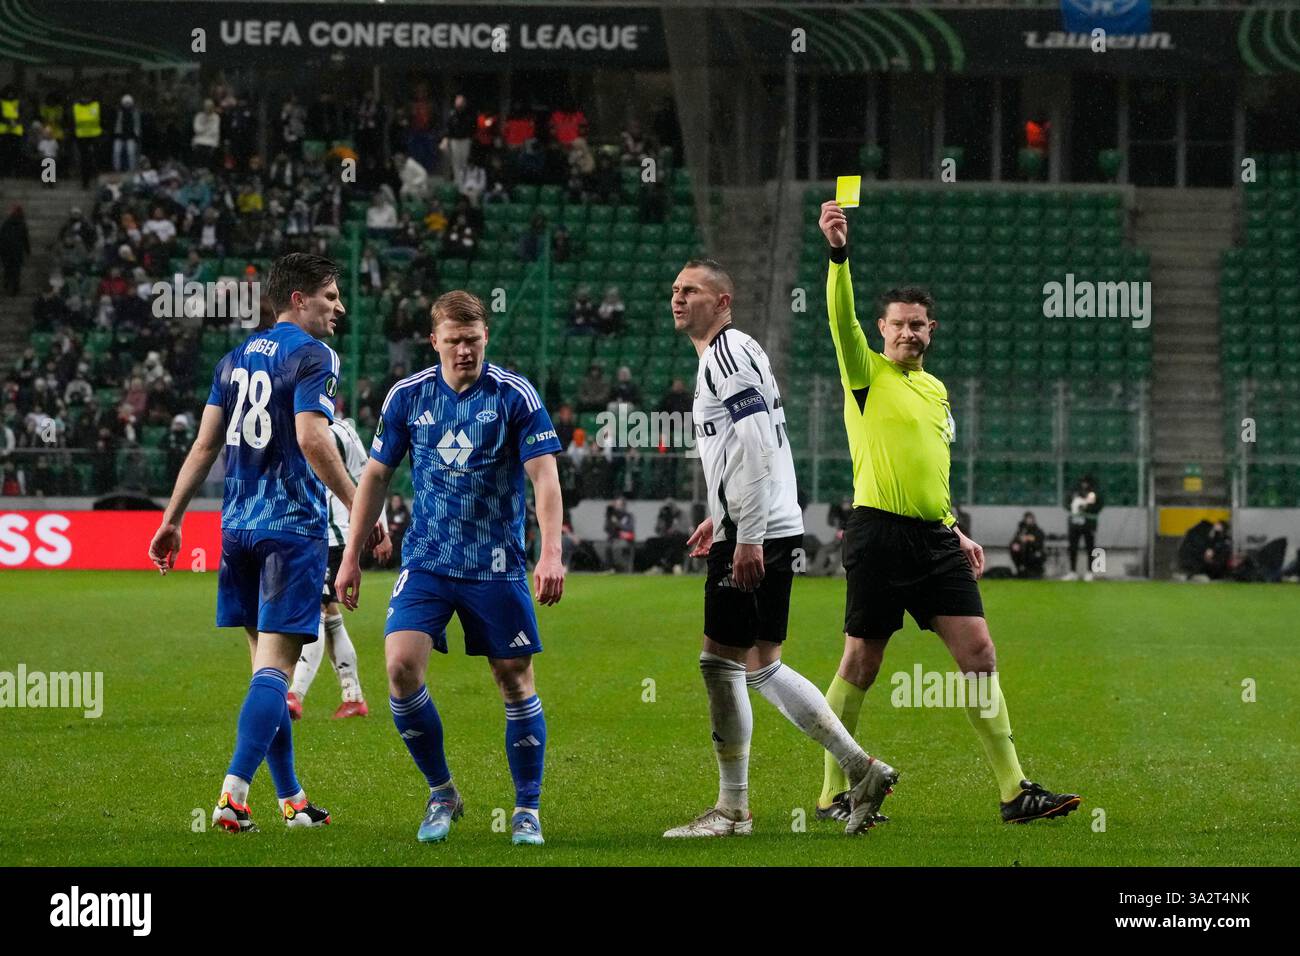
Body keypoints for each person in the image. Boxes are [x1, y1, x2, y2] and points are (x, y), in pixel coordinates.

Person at [813, 200, 1080, 824]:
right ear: (881, 329)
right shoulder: (864, 373)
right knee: (861, 662)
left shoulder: (935, 390)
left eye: (920, 325)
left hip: (934, 540)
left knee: (980, 654)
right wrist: (837, 254)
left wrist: (954, 529)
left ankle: (1015, 791)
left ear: (932, 331)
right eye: (899, 324)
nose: (909, 333)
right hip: (877, 534)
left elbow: (932, 468)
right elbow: (837, 317)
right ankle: (832, 793)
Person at [147, 253, 380, 834]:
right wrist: (360, 506)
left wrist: (172, 519)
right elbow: (312, 439)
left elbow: (205, 447)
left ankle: (293, 801)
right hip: (290, 531)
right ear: (298, 299)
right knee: (275, 671)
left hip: (238, 530)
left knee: (263, 674)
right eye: (330, 295)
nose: (339, 308)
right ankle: (232, 795)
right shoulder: (314, 355)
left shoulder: (233, 360)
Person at [664, 257, 893, 839]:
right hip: (757, 522)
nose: (678, 298)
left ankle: (732, 810)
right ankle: (860, 769)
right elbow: (745, 451)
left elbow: (759, 443)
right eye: (675, 290)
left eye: (690, 291)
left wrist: (748, 534)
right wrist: (722, 519)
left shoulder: (728, 353)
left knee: (720, 665)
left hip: (757, 529)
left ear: (722, 303)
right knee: (762, 663)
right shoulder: (725, 355)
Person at [334, 290, 565, 847]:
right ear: (433, 341)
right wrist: (350, 554)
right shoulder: (407, 397)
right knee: (399, 669)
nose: (464, 350)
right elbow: (375, 477)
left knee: (512, 679)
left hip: (497, 564)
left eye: (473, 340)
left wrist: (551, 551)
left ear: (486, 337)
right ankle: (442, 792)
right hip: (428, 561)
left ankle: (526, 810)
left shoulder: (514, 395)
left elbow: (545, 478)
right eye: (454, 341)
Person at [288, 415, 392, 721]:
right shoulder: (299, 429)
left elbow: (371, 478)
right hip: (312, 535)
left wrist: (381, 528)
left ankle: (295, 695)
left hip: (338, 536)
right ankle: (353, 697)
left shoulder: (339, 432)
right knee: (330, 616)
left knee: (314, 612)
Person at [1064, 475, 1103, 581]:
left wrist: (1086, 508)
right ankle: (1072, 571)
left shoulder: (1094, 493)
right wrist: (1074, 508)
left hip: (1088, 524)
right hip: (1075, 524)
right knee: (1072, 548)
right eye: (1083, 482)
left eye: (1086, 482)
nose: (1084, 484)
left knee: (1090, 548)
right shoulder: (1074, 492)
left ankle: (1090, 572)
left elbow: (1098, 506)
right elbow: (1066, 503)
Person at [72, 92, 102, 189]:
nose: (86, 99)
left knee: (93, 159)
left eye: (87, 96)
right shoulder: (76, 107)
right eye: (84, 96)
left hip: (94, 136)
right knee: (85, 160)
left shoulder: (96, 105)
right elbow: (74, 121)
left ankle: (91, 179)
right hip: (82, 137)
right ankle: (85, 182)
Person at [0, 205, 31, 296]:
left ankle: (6, 285)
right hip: (17, 252)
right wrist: (28, 250)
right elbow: (25, 239)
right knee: (16, 271)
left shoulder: (6, 223)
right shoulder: (22, 224)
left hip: (6, 251)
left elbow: (1, 237)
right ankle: (15, 289)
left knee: (7, 270)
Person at [1009, 511, 1046, 579]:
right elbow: (1015, 540)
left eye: (1030, 518)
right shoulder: (1022, 530)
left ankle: (1034, 573)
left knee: (1035, 556)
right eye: (1027, 518)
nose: (1029, 520)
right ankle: (1021, 570)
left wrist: (1030, 540)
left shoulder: (1038, 531)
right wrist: (1015, 544)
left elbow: (1039, 543)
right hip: (1023, 552)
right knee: (1015, 551)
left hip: (1034, 551)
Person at [604, 496, 635, 571]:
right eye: (616, 505)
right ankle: (611, 568)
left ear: (623, 506)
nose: (617, 507)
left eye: (619, 505)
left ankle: (623, 568)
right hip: (614, 539)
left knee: (618, 547)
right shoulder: (612, 516)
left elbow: (629, 528)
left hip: (625, 540)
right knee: (608, 546)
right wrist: (609, 518)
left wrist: (617, 523)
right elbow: (606, 529)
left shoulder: (628, 516)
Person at [112, 95, 142, 172]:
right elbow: (115, 124)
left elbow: (137, 124)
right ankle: (117, 169)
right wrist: (115, 133)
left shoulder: (135, 112)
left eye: (128, 103)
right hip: (119, 136)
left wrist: (137, 135)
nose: (127, 104)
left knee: (131, 153)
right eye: (125, 103)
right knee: (116, 152)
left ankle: (132, 170)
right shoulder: (118, 112)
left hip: (131, 136)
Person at [192, 99, 221, 170]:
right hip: (199, 140)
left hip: (211, 141)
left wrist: (204, 128)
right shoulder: (198, 116)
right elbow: (197, 129)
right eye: (206, 106)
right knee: (198, 153)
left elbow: (215, 131)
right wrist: (207, 127)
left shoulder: (216, 117)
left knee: (209, 156)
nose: (208, 108)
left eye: (209, 106)